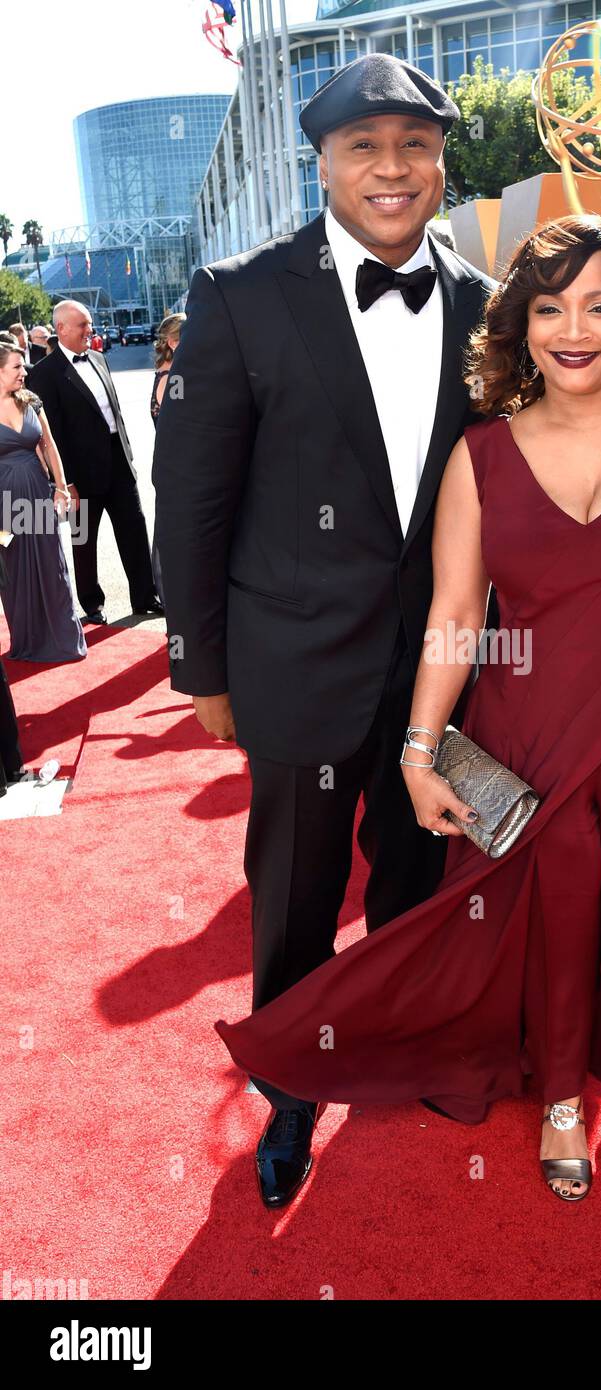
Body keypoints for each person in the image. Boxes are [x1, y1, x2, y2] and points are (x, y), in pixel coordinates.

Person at [215, 213, 601, 1204]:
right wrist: (419, 753)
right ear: (521, 325)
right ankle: (557, 1098)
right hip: (525, 748)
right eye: (549, 308)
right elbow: (456, 616)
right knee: (544, 931)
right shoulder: (483, 455)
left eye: (600, 304)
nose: (574, 329)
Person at [153, 53, 498, 1210]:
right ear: (323, 161)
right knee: (295, 892)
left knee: (415, 872)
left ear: (441, 158)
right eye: (364, 147)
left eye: (413, 145)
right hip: (292, 666)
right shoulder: (241, 292)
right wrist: (198, 663)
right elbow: (193, 496)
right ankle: (293, 1084)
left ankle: (395, 1041)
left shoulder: (481, 301)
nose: (391, 170)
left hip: (436, 676)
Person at [27, 300, 163, 625]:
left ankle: (145, 597)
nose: (91, 330)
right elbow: (52, 433)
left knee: (134, 531)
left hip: (119, 465)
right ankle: (92, 604)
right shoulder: (45, 373)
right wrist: (66, 482)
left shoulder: (100, 359)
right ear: (61, 329)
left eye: (89, 323)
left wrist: (128, 458)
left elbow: (113, 415)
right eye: (83, 325)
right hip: (80, 475)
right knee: (83, 541)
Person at [0, 341, 86, 663]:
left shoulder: (32, 401)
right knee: (15, 570)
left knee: (52, 563)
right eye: (17, 367)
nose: (25, 371)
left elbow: (49, 446)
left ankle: (63, 638)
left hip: (38, 494)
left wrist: (61, 487)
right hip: (4, 505)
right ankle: (28, 640)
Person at [148, 312, 185, 608]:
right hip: (178, 470)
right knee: (176, 537)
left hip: (177, 467)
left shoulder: (171, 372)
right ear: (173, 342)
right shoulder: (170, 379)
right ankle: (176, 604)